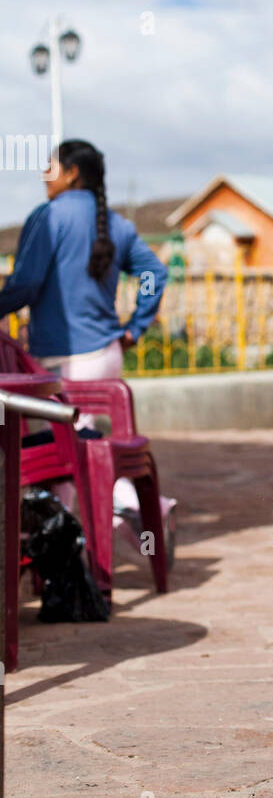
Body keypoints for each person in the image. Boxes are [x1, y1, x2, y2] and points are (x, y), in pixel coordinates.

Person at [0, 138, 175, 538]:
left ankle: (72, 551)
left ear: (72, 173)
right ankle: (138, 511)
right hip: (105, 353)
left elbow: (25, 285)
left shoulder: (49, 217)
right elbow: (154, 274)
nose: (44, 175)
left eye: (50, 167)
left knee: (61, 455)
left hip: (65, 361)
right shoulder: (116, 224)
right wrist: (136, 326)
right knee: (79, 446)